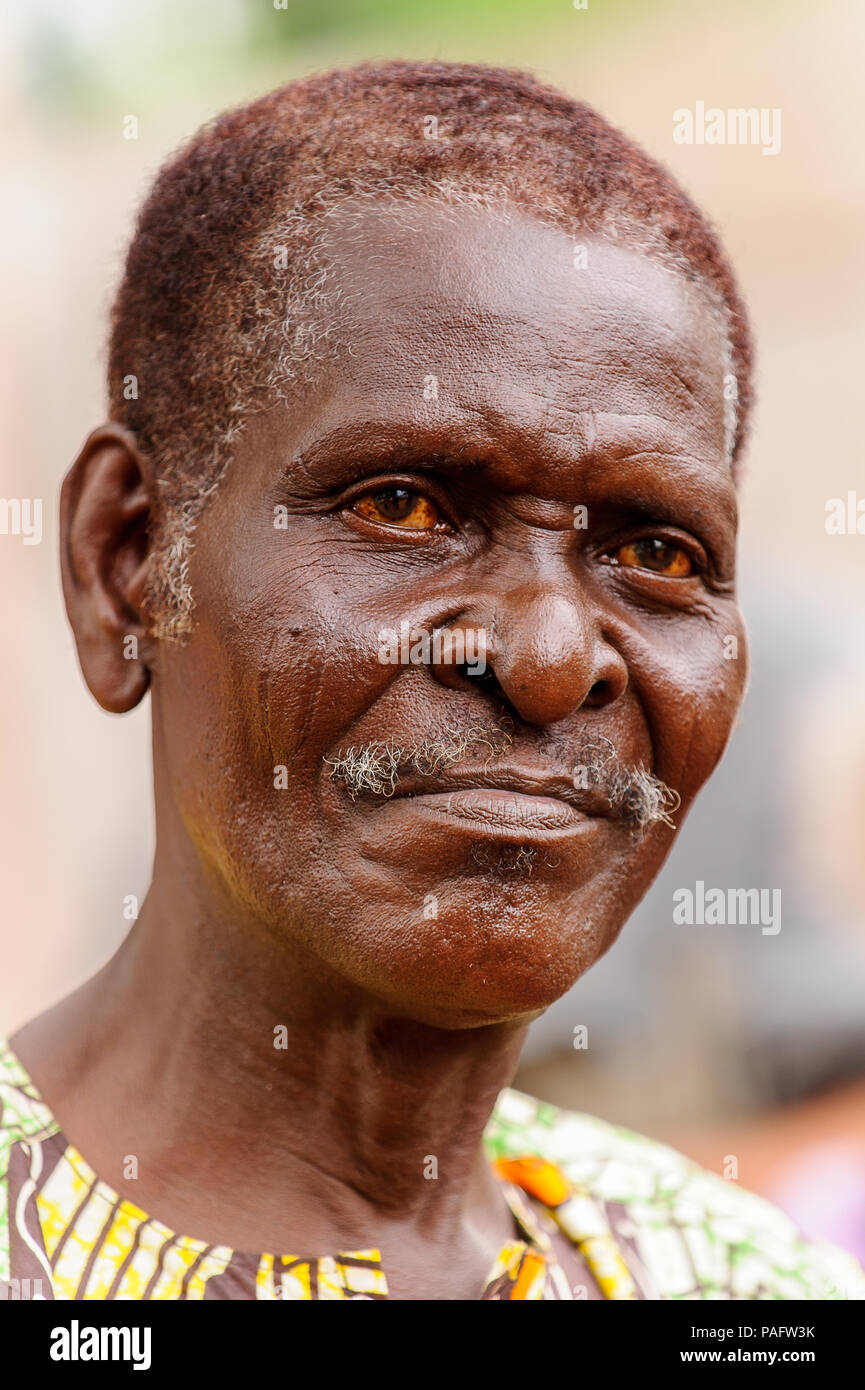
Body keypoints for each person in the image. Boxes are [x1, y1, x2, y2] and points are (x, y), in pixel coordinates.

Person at [2, 59, 861, 1302]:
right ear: (126, 559)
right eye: (402, 506)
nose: (553, 663)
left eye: (654, 551)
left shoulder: (742, 1287)